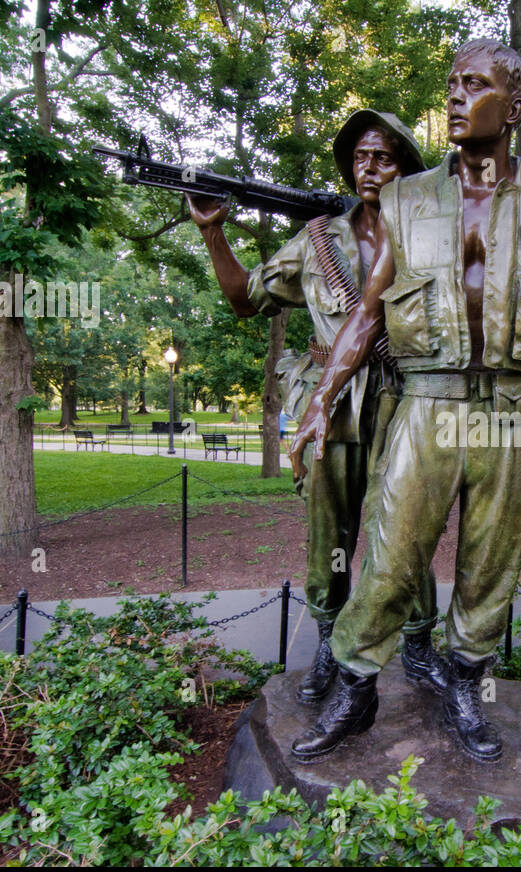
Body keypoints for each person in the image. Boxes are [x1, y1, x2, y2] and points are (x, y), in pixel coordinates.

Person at [288, 38, 521, 763]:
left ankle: (467, 682)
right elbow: (368, 315)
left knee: (494, 563)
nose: (457, 97)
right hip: (427, 405)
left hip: (515, 411)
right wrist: (322, 398)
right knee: (392, 553)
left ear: (515, 106)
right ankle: (357, 687)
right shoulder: (406, 197)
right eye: (453, 84)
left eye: (476, 85)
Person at [188, 110, 445, 704]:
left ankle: (419, 646)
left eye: (383, 157)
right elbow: (244, 299)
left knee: (407, 528)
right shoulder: (318, 240)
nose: (369, 168)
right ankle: (330, 648)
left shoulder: (430, 235)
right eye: (359, 157)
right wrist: (212, 232)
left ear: (405, 166)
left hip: (405, 399)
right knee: (330, 531)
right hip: (332, 408)